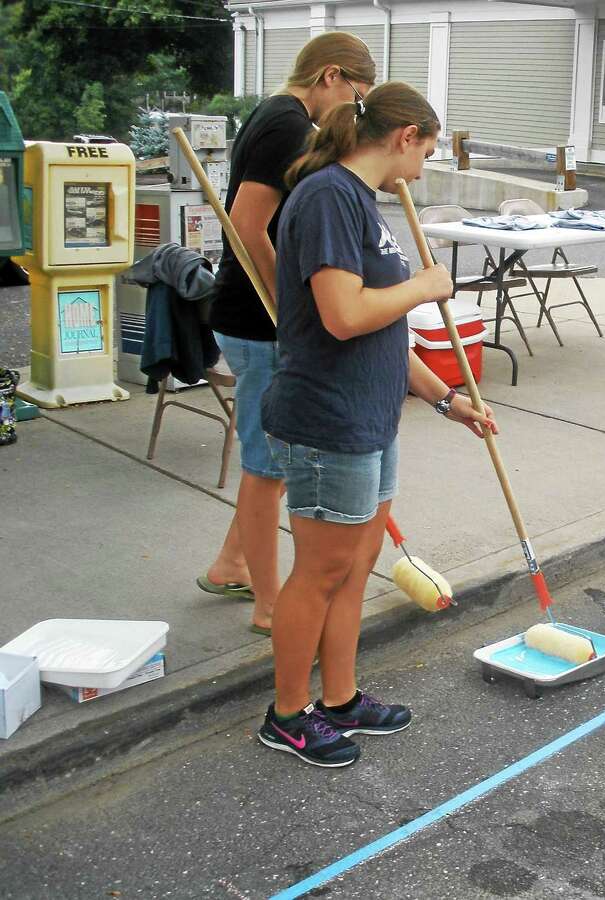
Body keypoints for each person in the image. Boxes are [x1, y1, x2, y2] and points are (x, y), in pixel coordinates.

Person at [256, 82, 498, 767]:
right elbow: (343, 314)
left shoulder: (363, 201)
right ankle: (286, 714)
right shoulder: (330, 194)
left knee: (357, 567)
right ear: (403, 137)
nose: (425, 166)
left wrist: (445, 398)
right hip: (325, 418)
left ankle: (340, 698)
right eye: (427, 149)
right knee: (322, 571)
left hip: (370, 416)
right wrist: (425, 287)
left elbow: (381, 333)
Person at [200, 33, 377, 636]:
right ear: (330, 76)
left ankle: (231, 564)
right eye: (357, 95)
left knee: (267, 457)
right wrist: (288, 307)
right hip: (256, 319)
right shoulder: (286, 125)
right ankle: (270, 603)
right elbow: (248, 227)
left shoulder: (276, 114)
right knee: (265, 464)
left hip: (249, 315)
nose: (354, 111)